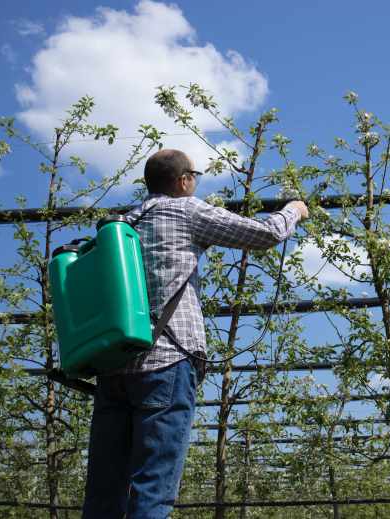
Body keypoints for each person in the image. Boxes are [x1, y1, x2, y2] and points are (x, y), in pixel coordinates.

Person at [81, 149, 308, 518]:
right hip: (165, 363)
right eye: (195, 177)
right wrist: (293, 210)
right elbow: (265, 234)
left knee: (102, 496)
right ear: (183, 180)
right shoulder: (185, 210)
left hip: (113, 367)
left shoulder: (119, 226)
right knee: (152, 489)